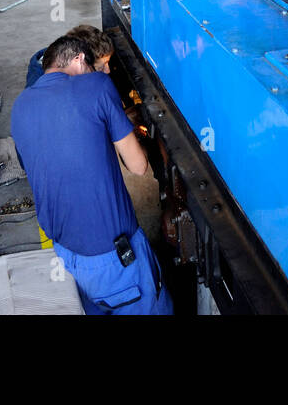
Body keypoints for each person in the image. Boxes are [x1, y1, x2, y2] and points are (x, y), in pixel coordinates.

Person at [12, 34, 171, 315]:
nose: (104, 72)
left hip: (65, 252)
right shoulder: (95, 85)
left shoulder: (21, 104)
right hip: (113, 257)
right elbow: (137, 166)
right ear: (78, 60)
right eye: (96, 66)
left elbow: (37, 162)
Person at [25, 24, 112, 87]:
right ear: (79, 62)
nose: (108, 70)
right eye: (101, 67)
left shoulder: (58, 55)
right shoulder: (44, 88)